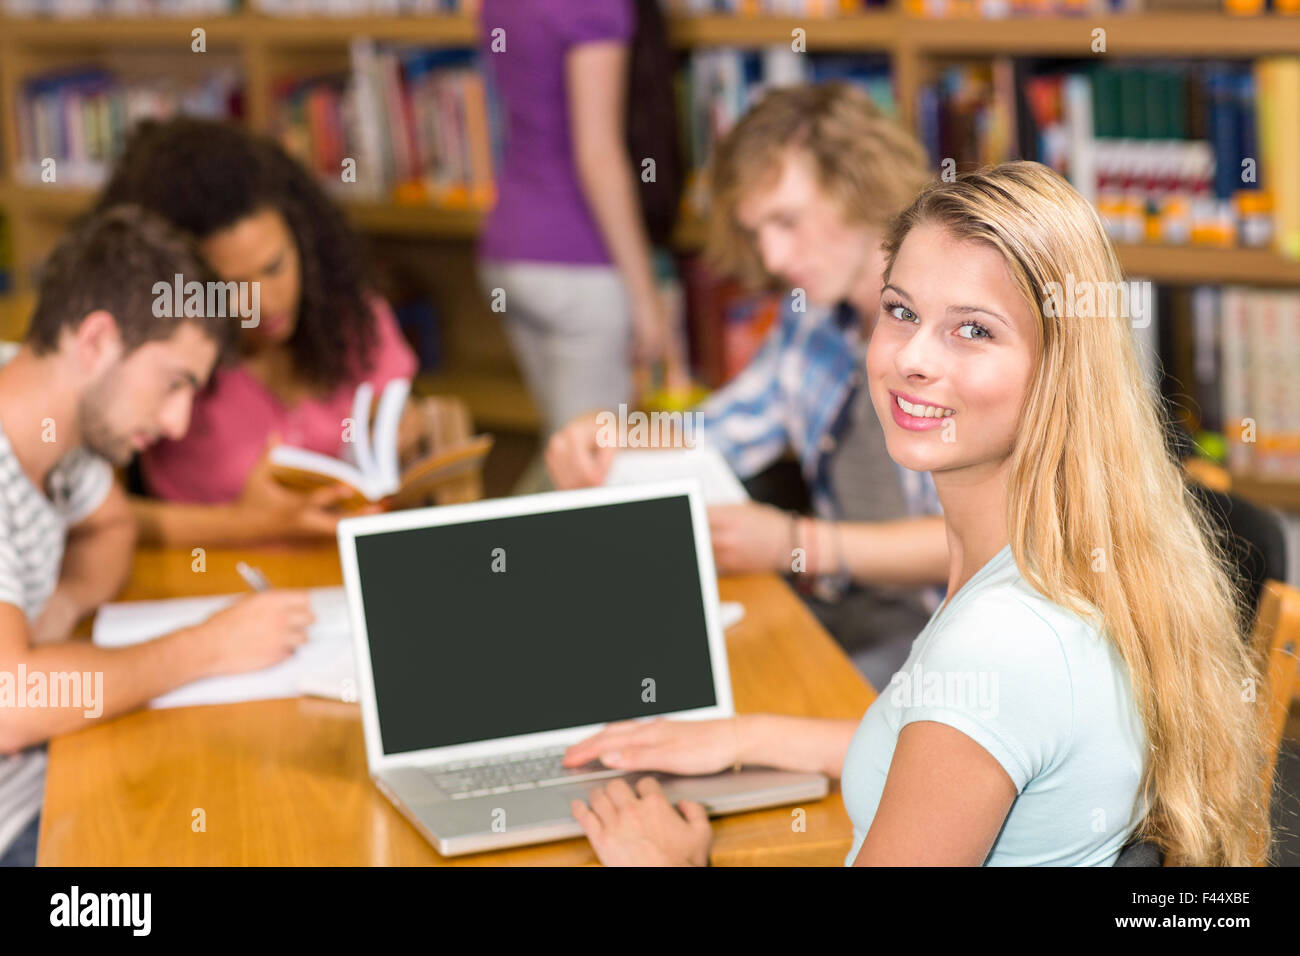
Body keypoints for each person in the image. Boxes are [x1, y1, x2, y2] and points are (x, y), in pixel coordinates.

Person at [562, 162, 1271, 867]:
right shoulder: (1059, 561)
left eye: (973, 331)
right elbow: (955, 759)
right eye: (901, 312)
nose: (912, 359)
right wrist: (745, 738)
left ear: (1061, 368)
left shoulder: (1002, 641)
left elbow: (974, 727)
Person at [547, 83, 949, 689]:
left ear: (862, 185)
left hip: (948, 639)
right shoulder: (815, 320)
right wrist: (612, 433)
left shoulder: (967, 324)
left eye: (786, 221)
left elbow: (996, 543)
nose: (773, 255)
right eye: (757, 231)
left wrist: (797, 542)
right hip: (854, 613)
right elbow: (715, 431)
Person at [0, 206, 319, 866]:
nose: (176, 423)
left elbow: (112, 525)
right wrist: (208, 647)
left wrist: (54, 618)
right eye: (174, 384)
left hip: (49, 781)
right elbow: (14, 702)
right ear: (95, 341)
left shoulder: (48, 412)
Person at [93, 117, 432, 546]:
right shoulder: (155, 357)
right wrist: (248, 524)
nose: (265, 302)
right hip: (210, 581)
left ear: (303, 238)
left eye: (274, 266)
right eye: (232, 288)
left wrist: (406, 437)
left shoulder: (351, 318)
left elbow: (401, 422)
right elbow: (93, 516)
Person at [477, 0, 688, 479]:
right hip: (578, 263)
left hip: (509, 247)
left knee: (564, 449)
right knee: (593, 467)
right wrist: (646, 296)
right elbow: (598, 153)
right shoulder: (594, 6)